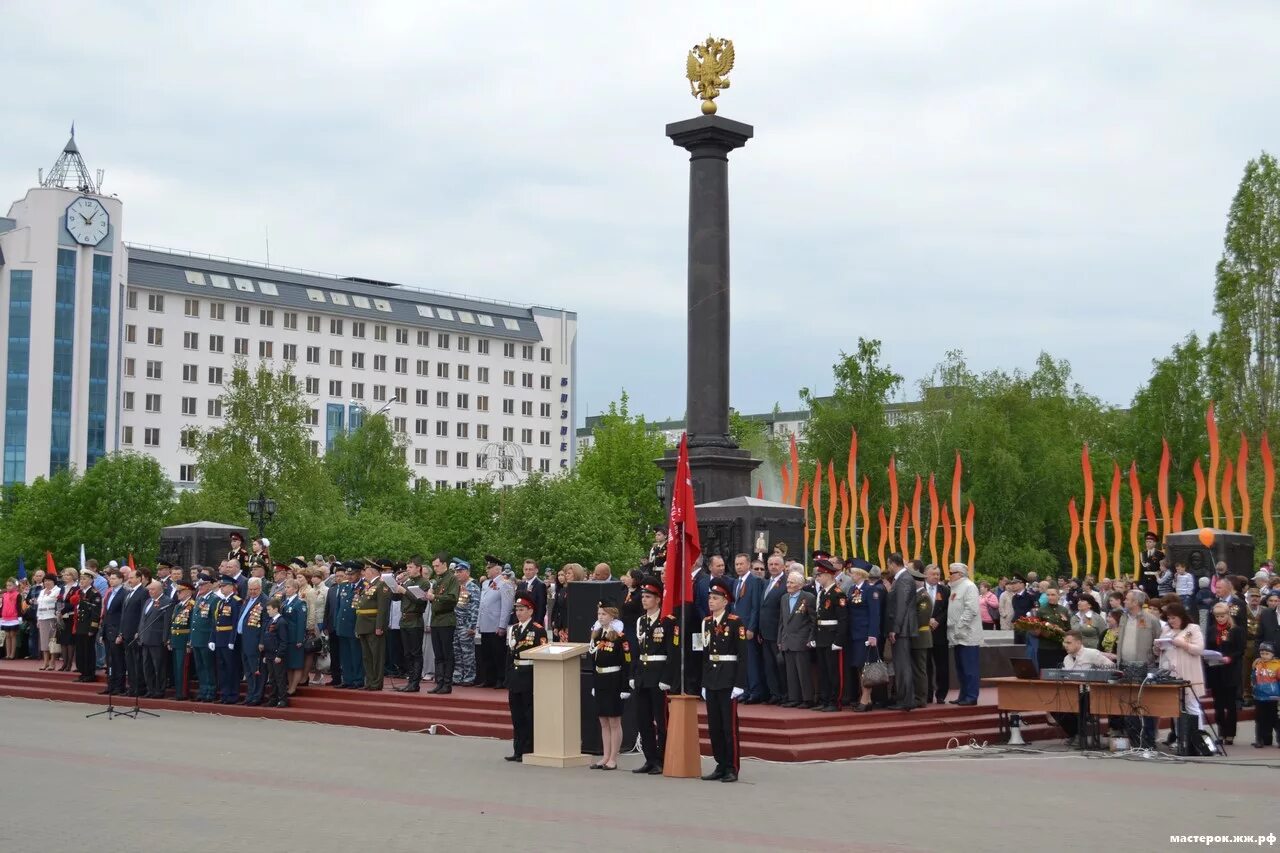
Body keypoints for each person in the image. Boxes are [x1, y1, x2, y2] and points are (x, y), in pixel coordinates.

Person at [699, 577, 748, 783]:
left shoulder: (735, 622)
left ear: (725, 600)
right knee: (714, 726)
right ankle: (720, 763)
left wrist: (739, 684)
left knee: (729, 727)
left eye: (715, 598)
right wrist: (703, 681)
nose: (711, 601)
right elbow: (704, 653)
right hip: (712, 678)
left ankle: (732, 767)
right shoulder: (707, 623)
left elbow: (743, 655)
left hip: (728, 679)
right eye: (710, 597)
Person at [630, 577, 677, 775]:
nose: (644, 600)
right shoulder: (641, 621)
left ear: (658, 599)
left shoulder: (667, 621)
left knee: (661, 720)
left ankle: (662, 758)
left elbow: (672, 653)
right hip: (643, 675)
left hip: (658, 676)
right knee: (643, 720)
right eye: (643, 597)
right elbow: (636, 650)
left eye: (648, 597)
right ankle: (649, 758)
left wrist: (667, 678)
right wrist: (633, 674)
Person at [504, 591, 548, 763]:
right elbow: (509, 655)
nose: (519, 612)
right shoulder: (513, 629)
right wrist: (507, 676)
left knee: (529, 715)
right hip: (515, 675)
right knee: (517, 716)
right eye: (517, 609)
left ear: (530, 611)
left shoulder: (537, 630)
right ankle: (518, 749)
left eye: (522, 609)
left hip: (529, 676)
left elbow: (543, 654)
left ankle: (529, 749)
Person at [1055, 630, 1117, 745]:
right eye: (1064, 643)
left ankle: (1080, 734)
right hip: (1071, 692)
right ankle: (1074, 733)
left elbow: (1111, 667)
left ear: (1078, 643)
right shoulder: (1067, 659)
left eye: (1069, 643)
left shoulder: (1091, 653)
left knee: (1081, 702)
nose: (1065, 645)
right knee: (1055, 705)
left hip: (1090, 692)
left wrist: (1096, 675)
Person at [588, 600, 630, 770]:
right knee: (603, 721)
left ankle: (613, 757)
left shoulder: (620, 637)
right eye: (599, 614)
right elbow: (593, 661)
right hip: (600, 679)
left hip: (614, 680)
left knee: (614, 721)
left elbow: (626, 662)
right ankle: (605, 756)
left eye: (604, 614)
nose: (600, 617)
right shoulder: (597, 635)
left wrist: (625, 686)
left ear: (612, 615)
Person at [1114, 589, 1159, 746]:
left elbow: (1158, 641)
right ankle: (1133, 739)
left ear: (1135, 602)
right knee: (1128, 704)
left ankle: (1148, 739)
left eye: (1127, 599)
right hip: (1125, 666)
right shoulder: (1123, 618)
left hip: (1144, 667)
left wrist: (1152, 658)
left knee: (1146, 704)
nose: (1124, 601)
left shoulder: (1151, 619)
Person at [1156, 602, 1206, 738]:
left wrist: (1183, 644)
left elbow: (1199, 649)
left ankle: (1198, 738)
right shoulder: (1167, 630)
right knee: (1176, 708)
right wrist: (1158, 646)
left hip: (1189, 672)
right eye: (1169, 618)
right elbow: (1160, 650)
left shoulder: (1193, 628)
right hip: (1171, 673)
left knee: (1192, 706)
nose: (1171, 621)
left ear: (1181, 616)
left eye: (1174, 618)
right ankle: (1181, 739)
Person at [1204, 602, 1246, 745]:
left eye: (1222, 616)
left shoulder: (1236, 630)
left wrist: (1230, 658)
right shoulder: (1211, 630)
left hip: (1230, 670)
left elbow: (1240, 649)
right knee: (1218, 704)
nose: (1220, 619)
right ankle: (1221, 731)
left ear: (1228, 615)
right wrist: (1208, 657)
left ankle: (1230, 734)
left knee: (1230, 704)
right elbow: (1208, 647)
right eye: (1217, 616)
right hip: (1215, 669)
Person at [847, 562, 883, 712]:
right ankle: (865, 698)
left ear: (861, 574)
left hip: (865, 634)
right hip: (854, 633)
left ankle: (865, 698)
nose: (851, 575)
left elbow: (875, 614)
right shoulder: (852, 589)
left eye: (853, 573)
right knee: (858, 665)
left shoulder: (870, 589)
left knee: (865, 667)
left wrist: (873, 635)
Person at [812, 559, 847, 712]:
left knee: (834, 671)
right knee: (823, 671)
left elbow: (843, 619)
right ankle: (825, 699)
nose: (817, 577)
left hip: (832, 637)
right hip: (821, 637)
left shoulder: (838, 594)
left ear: (828, 575)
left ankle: (835, 700)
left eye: (820, 574)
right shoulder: (822, 593)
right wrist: (814, 637)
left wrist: (839, 640)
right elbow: (817, 618)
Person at [729, 553, 765, 703]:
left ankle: (756, 691)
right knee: (742, 661)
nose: (738, 567)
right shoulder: (736, 582)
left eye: (741, 564)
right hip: (737, 628)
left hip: (748, 628)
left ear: (748, 564)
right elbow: (734, 605)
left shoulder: (754, 581)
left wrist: (752, 628)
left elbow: (755, 607)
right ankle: (745, 689)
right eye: (736, 564)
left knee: (751, 660)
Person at [391, 557, 430, 692]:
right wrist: (395, 585)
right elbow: (395, 598)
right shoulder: (408, 582)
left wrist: (404, 591)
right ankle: (410, 679)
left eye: (410, 567)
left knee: (415, 653)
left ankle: (415, 682)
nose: (408, 570)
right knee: (407, 653)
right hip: (405, 620)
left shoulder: (424, 582)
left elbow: (419, 600)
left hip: (415, 620)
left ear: (418, 568)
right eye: (407, 567)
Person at [778, 570, 816, 709]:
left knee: (803, 671)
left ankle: (807, 699)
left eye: (791, 582)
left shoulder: (809, 597)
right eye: (788, 582)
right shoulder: (784, 598)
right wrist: (780, 640)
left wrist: (811, 639)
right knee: (791, 672)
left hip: (802, 640)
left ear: (800, 585)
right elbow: (782, 621)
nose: (788, 584)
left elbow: (813, 621)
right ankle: (794, 697)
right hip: (787, 640)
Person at [885, 553, 918, 711]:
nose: (888, 568)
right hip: (902, 628)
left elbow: (901, 606)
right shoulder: (902, 578)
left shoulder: (904, 578)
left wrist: (895, 629)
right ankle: (903, 698)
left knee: (903, 665)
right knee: (901, 665)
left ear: (892, 563)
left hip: (903, 629)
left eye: (888, 565)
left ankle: (906, 700)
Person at [947, 563, 982, 705]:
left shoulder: (969, 586)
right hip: (957, 636)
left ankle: (971, 696)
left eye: (951, 572)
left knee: (969, 668)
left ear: (960, 574)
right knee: (961, 668)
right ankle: (963, 694)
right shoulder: (955, 588)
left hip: (968, 635)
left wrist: (960, 626)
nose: (949, 575)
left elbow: (971, 610)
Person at [478, 558, 515, 688]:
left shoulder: (505, 583)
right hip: (485, 623)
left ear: (498, 569)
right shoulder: (485, 583)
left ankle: (501, 678)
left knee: (498, 653)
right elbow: (482, 605)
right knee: (486, 653)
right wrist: (478, 624)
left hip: (496, 624)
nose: (487, 570)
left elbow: (507, 606)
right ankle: (489, 678)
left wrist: (502, 625)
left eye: (489, 568)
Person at [757, 554, 788, 704]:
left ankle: (784, 694)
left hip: (778, 632)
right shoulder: (766, 582)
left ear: (783, 566)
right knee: (769, 665)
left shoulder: (786, 583)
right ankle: (774, 694)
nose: (773, 567)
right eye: (771, 564)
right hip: (765, 632)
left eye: (777, 564)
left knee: (780, 665)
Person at [353, 564, 390, 692]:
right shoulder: (368, 586)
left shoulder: (381, 585)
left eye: (366, 571)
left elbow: (382, 609)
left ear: (372, 572)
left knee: (376, 656)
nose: (364, 574)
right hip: (363, 625)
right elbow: (360, 607)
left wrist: (379, 626)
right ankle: (369, 681)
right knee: (367, 656)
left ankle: (376, 682)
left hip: (373, 625)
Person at [427, 552, 460, 693]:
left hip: (446, 619)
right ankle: (439, 682)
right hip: (436, 620)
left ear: (445, 564)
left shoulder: (451, 579)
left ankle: (447, 683)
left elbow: (453, 598)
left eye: (437, 565)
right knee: (438, 654)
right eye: (433, 566)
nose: (435, 568)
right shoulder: (437, 580)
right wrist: (429, 596)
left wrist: (435, 596)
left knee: (447, 653)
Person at [211, 576, 243, 703]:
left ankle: (232, 694)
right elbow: (216, 622)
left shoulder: (236, 601)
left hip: (229, 640)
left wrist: (232, 640)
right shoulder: (221, 602)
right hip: (219, 639)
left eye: (224, 586)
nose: (222, 588)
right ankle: (224, 694)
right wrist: (212, 639)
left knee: (231, 668)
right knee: (222, 668)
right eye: (221, 586)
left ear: (231, 587)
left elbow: (235, 623)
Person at [922, 563, 950, 703]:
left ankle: (941, 694)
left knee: (942, 666)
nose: (936, 577)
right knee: (926, 665)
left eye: (938, 574)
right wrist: (927, 619)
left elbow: (948, 609)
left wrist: (937, 620)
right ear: (926, 574)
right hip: (924, 632)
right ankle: (927, 693)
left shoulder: (945, 590)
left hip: (940, 633)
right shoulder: (920, 589)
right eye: (933, 574)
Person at [138, 581, 171, 698]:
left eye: (153, 589)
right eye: (149, 590)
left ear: (160, 590)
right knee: (147, 666)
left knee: (159, 667)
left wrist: (165, 639)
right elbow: (143, 620)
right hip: (145, 639)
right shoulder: (148, 601)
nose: (150, 592)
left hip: (157, 640)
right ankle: (150, 689)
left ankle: (159, 690)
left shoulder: (166, 601)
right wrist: (139, 633)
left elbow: (167, 623)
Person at [335, 562, 364, 689]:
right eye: (348, 574)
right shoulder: (343, 586)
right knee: (345, 654)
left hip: (354, 625)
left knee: (356, 654)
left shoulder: (364, 587)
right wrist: (337, 624)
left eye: (352, 574)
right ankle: (347, 679)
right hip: (343, 625)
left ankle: (358, 679)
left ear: (359, 573)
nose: (350, 576)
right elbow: (339, 607)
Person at [189, 573, 218, 702]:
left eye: (203, 584)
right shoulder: (199, 599)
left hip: (206, 639)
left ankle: (211, 691)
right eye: (199, 584)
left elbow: (214, 621)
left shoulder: (214, 599)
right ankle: (203, 689)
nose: (200, 587)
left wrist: (212, 639)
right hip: (196, 639)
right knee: (200, 666)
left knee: (208, 666)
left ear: (210, 585)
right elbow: (194, 621)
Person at [238, 578, 267, 706]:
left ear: (260, 588)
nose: (252, 592)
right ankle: (250, 694)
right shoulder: (247, 599)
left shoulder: (265, 601)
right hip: (244, 639)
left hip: (255, 641)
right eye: (250, 589)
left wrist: (262, 642)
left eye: (255, 589)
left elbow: (265, 624)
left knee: (256, 670)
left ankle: (257, 695)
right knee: (248, 670)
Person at [118, 569, 147, 695]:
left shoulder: (143, 592)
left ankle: (139, 688)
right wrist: (121, 632)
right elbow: (123, 615)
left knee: (137, 661)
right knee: (129, 661)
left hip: (135, 633)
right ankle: (132, 687)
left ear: (140, 578)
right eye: (129, 578)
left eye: (132, 577)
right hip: (126, 632)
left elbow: (143, 613)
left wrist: (139, 630)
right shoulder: (129, 593)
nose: (129, 580)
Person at [167, 580, 195, 701]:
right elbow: (173, 623)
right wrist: (169, 639)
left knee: (183, 668)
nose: (178, 593)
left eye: (180, 591)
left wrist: (189, 641)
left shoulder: (192, 605)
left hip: (184, 640)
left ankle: (182, 692)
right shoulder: (178, 605)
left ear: (188, 591)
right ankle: (178, 691)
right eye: (177, 591)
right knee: (176, 667)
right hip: (176, 639)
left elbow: (192, 625)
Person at [71, 570, 102, 682]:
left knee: (88, 651)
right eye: (81, 579)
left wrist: (93, 628)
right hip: (80, 625)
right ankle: (83, 672)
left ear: (91, 580)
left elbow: (96, 613)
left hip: (88, 626)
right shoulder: (80, 593)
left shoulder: (94, 594)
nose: (81, 581)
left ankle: (89, 674)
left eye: (84, 579)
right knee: (80, 651)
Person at [453, 560, 480, 686]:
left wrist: (472, 626)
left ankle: (469, 677)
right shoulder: (457, 587)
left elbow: (475, 608)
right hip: (455, 624)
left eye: (460, 572)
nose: (457, 574)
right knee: (457, 651)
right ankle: (458, 675)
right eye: (456, 572)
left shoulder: (473, 587)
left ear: (468, 572)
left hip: (466, 624)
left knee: (467, 652)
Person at [911, 565, 933, 709]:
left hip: (920, 636)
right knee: (916, 668)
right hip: (916, 636)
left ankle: (921, 698)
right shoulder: (917, 595)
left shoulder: (923, 597)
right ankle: (917, 695)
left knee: (920, 670)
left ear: (916, 581)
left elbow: (921, 619)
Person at [263, 598, 290, 708]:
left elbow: (283, 641)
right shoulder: (271, 621)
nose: (267, 611)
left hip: (277, 655)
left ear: (275, 609)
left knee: (280, 678)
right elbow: (267, 638)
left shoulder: (281, 622)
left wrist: (279, 655)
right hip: (269, 654)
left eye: (269, 609)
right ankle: (273, 698)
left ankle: (282, 699)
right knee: (272, 678)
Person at [1252, 642, 1280, 747]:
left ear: (1273, 654)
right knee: (1259, 718)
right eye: (1262, 653)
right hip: (1259, 696)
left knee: (1274, 718)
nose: (1264, 656)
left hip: (1272, 696)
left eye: (1267, 653)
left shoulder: (1277, 665)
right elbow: (1253, 678)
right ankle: (1259, 739)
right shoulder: (1257, 664)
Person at [1036, 588, 1071, 671]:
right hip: (1046, 647)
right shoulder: (1041, 610)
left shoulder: (1064, 610)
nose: (1050, 597)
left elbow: (1068, 627)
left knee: (1060, 672)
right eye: (1048, 595)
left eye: (1053, 595)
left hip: (1060, 647)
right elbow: (1037, 629)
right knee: (1045, 672)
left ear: (1058, 596)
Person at [35, 575, 61, 670]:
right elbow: (39, 605)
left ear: (54, 581)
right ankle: (45, 662)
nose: (47, 582)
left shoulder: (57, 590)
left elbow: (58, 604)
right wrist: (38, 618)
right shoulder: (42, 591)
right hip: (42, 618)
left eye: (49, 580)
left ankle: (52, 662)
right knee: (44, 641)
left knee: (52, 641)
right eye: (45, 581)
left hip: (51, 617)